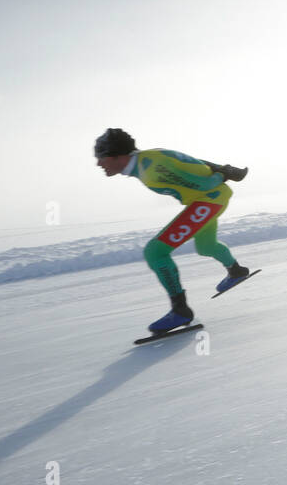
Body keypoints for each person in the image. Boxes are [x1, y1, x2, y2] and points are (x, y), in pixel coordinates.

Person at [95, 128, 253, 333]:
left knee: (155, 252)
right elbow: (192, 162)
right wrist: (223, 169)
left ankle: (180, 310)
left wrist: (223, 173)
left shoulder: (151, 170)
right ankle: (236, 271)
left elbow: (203, 184)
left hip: (209, 198)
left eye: (101, 157)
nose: (99, 163)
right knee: (206, 246)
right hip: (210, 198)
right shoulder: (148, 158)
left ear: (119, 156)